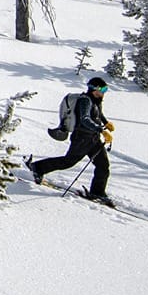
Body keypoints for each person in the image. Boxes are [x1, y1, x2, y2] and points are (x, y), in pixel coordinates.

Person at [29, 76, 115, 205]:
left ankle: (97, 192)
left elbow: (98, 114)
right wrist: (101, 130)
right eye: (102, 89)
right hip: (82, 138)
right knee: (67, 162)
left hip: (93, 138)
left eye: (106, 89)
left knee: (103, 165)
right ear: (94, 89)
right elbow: (85, 119)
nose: (104, 92)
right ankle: (38, 167)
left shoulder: (96, 100)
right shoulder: (85, 101)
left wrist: (106, 122)